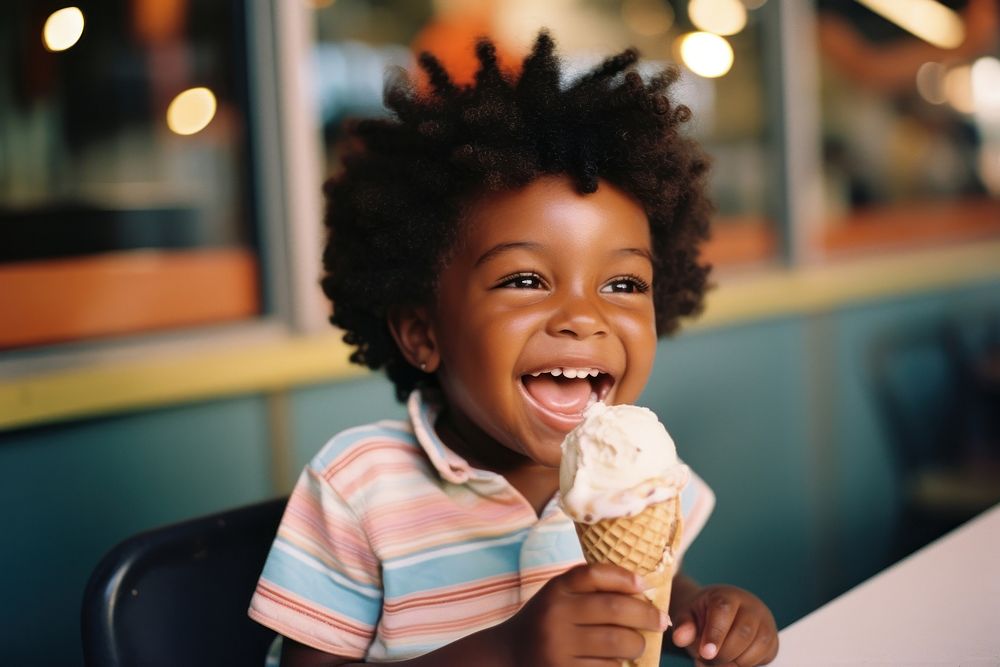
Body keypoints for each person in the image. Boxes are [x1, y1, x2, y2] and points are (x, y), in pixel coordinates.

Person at [249, 32, 778, 666]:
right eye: (525, 280)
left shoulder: (644, 470)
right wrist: (506, 653)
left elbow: (652, 595)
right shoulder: (358, 487)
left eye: (623, 283)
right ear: (423, 334)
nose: (584, 318)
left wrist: (705, 610)